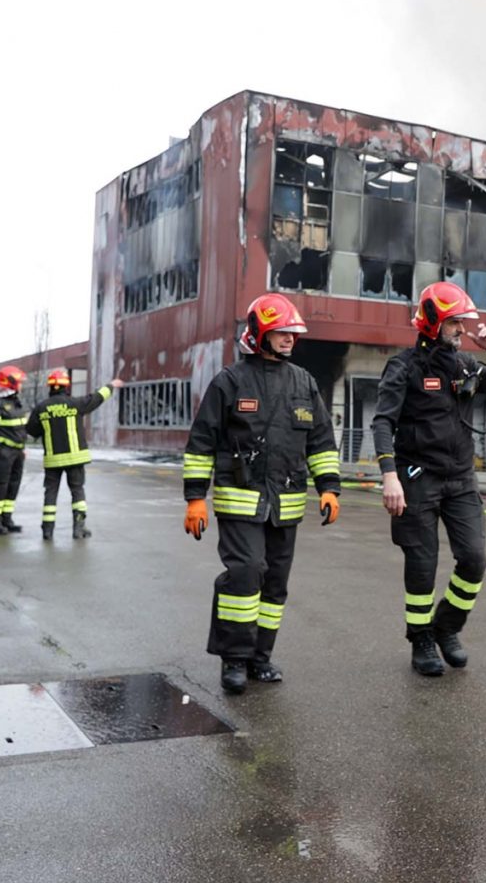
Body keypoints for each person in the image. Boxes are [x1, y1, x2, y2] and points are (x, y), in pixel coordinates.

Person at [180, 293, 342, 695]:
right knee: (245, 573)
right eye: (280, 332)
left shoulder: (304, 383)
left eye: (292, 333)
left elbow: (321, 441)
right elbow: (201, 442)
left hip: (285, 505)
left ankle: (259, 658)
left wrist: (329, 488)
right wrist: (195, 497)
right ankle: (234, 658)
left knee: (274, 585)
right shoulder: (230, 382)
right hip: (240, 500)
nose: (289, 339)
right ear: (258, 334)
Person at [371, 281, 486, 676]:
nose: (462, 329)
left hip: (460, 480)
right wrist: (390, 476)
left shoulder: (463, 364)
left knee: (474, 559)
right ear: (434, 322)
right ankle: (420, 638)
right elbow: (383, 423)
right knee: (422, 562)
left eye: (462, 322)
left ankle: (447, 627)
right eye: (455, 322)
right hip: (416, 479)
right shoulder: (403, 367)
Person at [26, 368, 124, 541]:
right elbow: (97, 397)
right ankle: (78, 529)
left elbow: (31, 430)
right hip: (75, 459)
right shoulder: (75, 403)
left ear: (50, 386)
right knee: (77, 492)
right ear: (67, 386)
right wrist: (112, 385)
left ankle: (47, 530)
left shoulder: (41, 408)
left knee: (50, 494)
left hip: (53, 461)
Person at [0, 365, 30, 536]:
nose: (21, 385)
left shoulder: (17, 403)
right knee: (1, 486)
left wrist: (22, 448)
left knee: (13, 486)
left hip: (18, 453)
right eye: (19, 382)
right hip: (4, 453)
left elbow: (20, 429)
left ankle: (6, 519)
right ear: (10, 383)